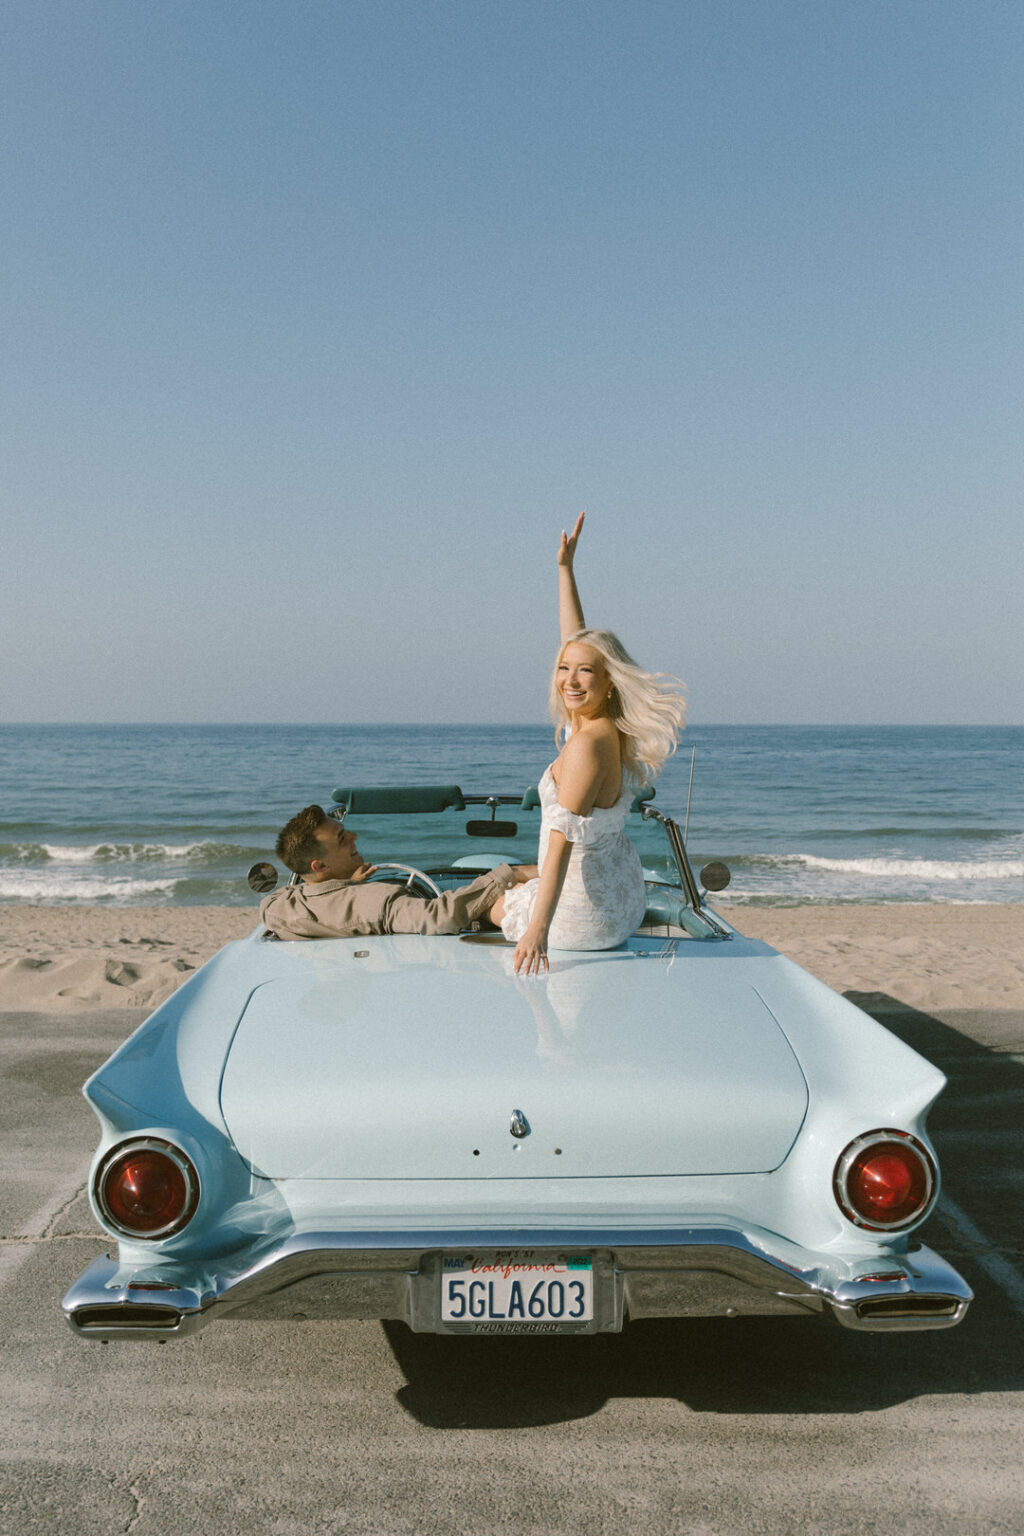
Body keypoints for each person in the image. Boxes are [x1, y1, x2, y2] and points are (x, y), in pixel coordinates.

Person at [490, 513, 686, 975]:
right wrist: (565, 570)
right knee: (516, 881)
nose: (570, 680)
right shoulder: (607, 730)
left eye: (584, 672)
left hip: (578, 921)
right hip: (619, 905)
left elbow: (559, 843)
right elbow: (578, 644)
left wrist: (537, 929)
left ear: (609, 682)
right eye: (564, 668)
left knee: (492, 903)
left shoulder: (583, 746)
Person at [260, 804, 534, 940]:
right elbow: (439, 916)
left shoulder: (276, 907)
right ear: (319, 866)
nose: (354, 836)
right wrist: (509, 874)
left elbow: (314, 895)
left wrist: (347, 884)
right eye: (342, 838)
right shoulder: (378, 901)